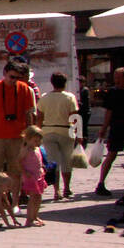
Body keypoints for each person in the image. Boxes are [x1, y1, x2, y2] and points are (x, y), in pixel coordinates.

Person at [0, 57, 36, 189]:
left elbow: (29, 114)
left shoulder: (25, 89)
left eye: (17, 78)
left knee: (16, 171)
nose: (14, 80)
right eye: (11, 77)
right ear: (4, 73)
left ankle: (15, 201)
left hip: (18, 137)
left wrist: (29, 138)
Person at [35, 71, 82, 200]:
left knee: (53, 162)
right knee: (66, 161)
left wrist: (37, 132)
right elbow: (74, 117)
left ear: (52, 83)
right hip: (66, 132)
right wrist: (78, 134)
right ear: (65, 83)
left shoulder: (44, 97)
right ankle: (67, 188)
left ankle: (57, 191)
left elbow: (39, 117)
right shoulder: (69, 97)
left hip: (48, 131)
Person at [93, 66, 124, 202]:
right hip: (117, 128)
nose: (116, 81)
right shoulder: (113, 92)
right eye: (115, 78)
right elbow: (109, 112)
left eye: (119, 78)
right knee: (111, 155)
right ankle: (101, 183)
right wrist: (103, 128)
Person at [18, 126, 47, 226]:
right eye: (35, 141)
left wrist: (42, 168)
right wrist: (24, 172)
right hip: (30, 177)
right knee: (33, 197)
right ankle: (29, 219)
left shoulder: (37, 149)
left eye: (39, 141)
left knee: (38, 197)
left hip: (38, 175)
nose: (37, 143)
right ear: (27, 139)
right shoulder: (26, 150)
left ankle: (35, 216)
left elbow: (39, 161)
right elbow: (19, 162)